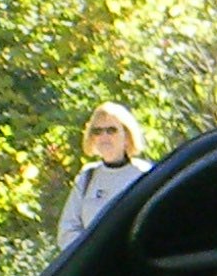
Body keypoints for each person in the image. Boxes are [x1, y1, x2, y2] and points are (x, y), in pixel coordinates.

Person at [57, 99, 151, 248]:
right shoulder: (87, 177)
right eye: (97, 131)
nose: (104, 137)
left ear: (127, 136)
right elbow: (67, 230)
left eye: (111, 130)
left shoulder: (144, 175)